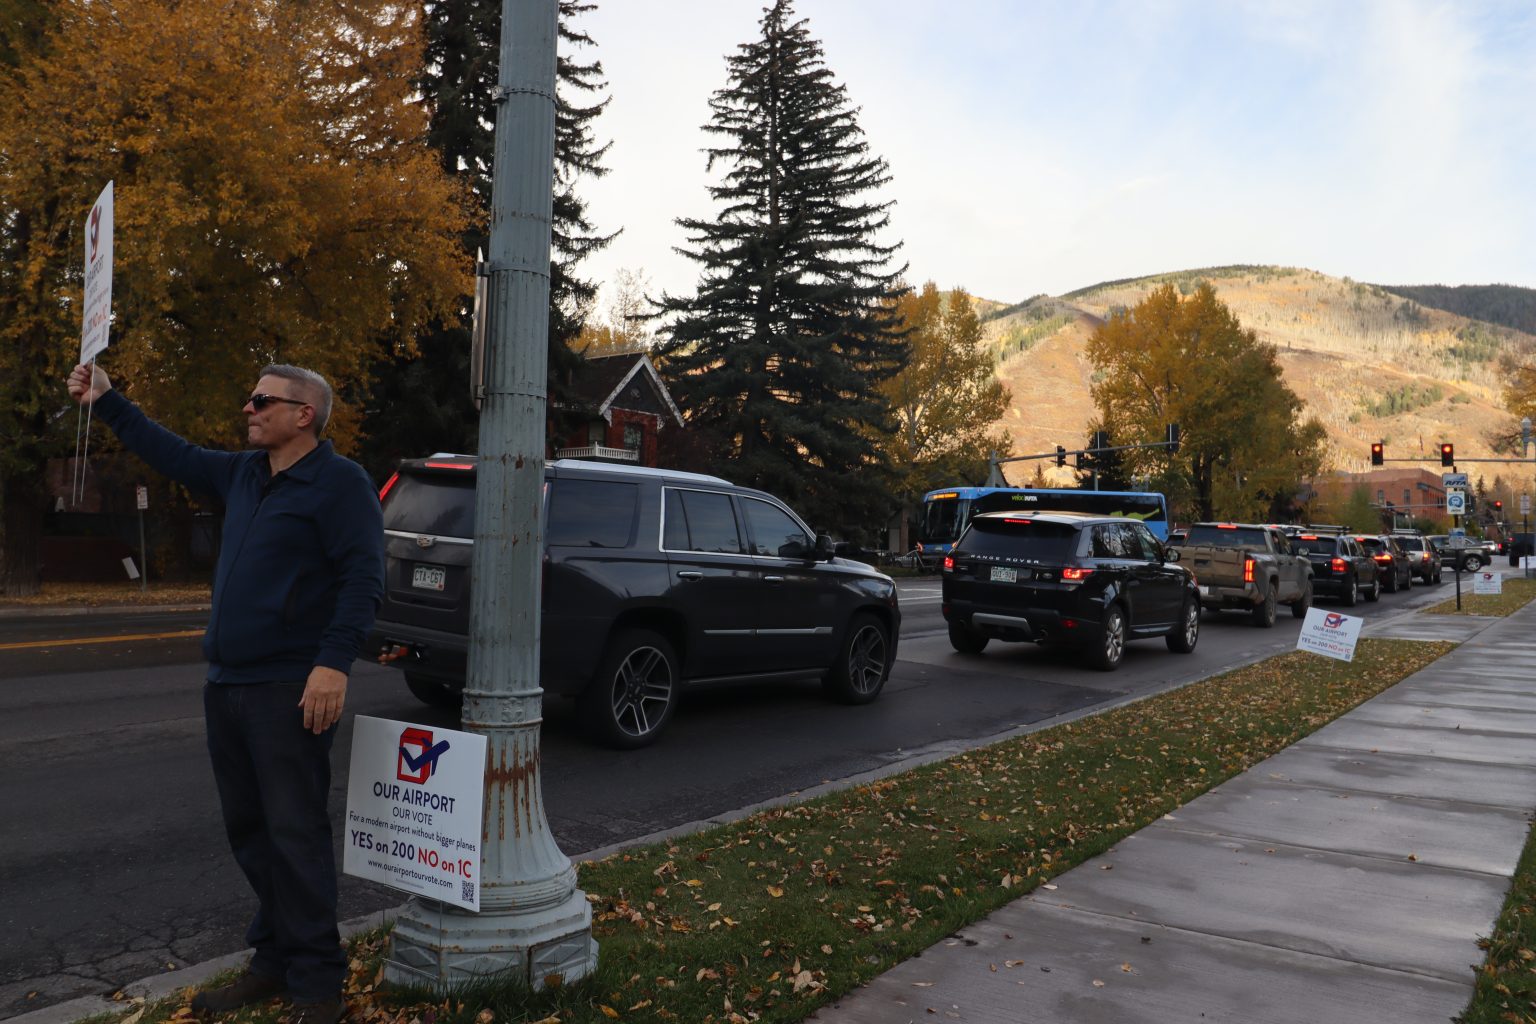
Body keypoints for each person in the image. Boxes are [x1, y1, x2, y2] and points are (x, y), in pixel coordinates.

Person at [67, 363, 385, 1024]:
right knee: (251, 831)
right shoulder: (243, 473)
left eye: (262, 399)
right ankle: (275, 959)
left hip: (288, 688)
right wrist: (108, 400)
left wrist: (333, 664)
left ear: (304, 414)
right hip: (228, 684)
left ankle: (318, 984)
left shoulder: (339, 482)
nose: (249, 407)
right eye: (250, 396)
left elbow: (363, 576)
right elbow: (172, 452)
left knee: (294, 832)